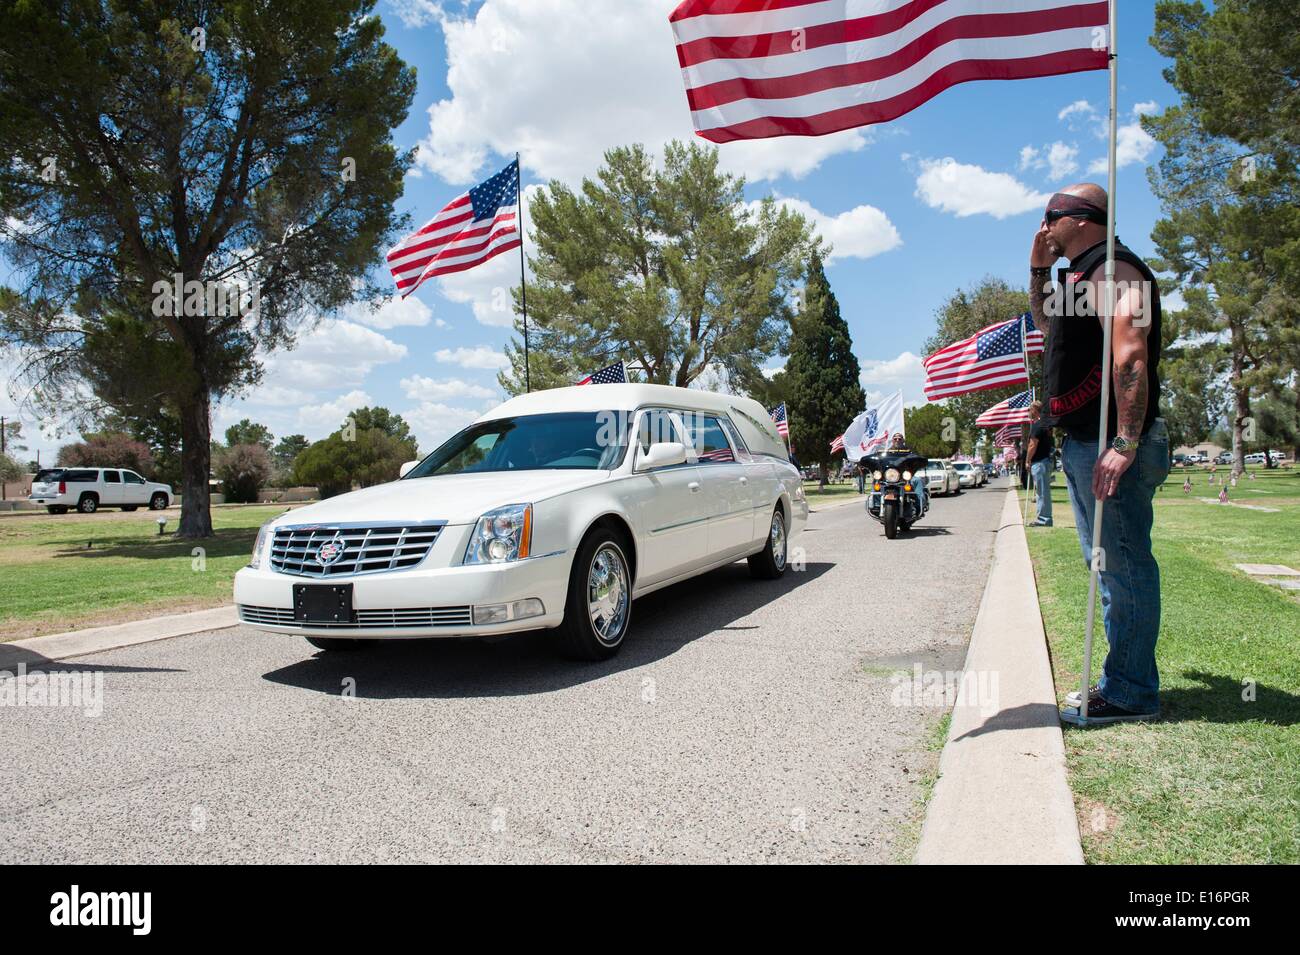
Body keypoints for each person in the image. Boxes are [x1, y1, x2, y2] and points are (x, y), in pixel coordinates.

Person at [1029, 183, 1169, 724]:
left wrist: (1125, 441)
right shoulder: (1082, 276)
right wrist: (1039, 270)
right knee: (1107, 564)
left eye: (1050, 217)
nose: (1044, 227)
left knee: (1125, 566)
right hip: (1089, 440)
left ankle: (1132, 693)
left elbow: (1130, 352)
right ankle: (1122, 680)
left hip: (1113, 443)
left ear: (1080, 219)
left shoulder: (1117, 271)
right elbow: (1046, 324)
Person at [1024, 400, 1055, 526]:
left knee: (1042, 492)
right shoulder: (1047, 425)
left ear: (1035, 410)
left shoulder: (1037, 426)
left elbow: (1033, 445)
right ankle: (1043, 517)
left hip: (1039, 462)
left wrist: (1027, 460)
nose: (1028, 413)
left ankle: (1044, 519)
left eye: (1029, 410)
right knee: (1042, 492)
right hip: (1045, 461)